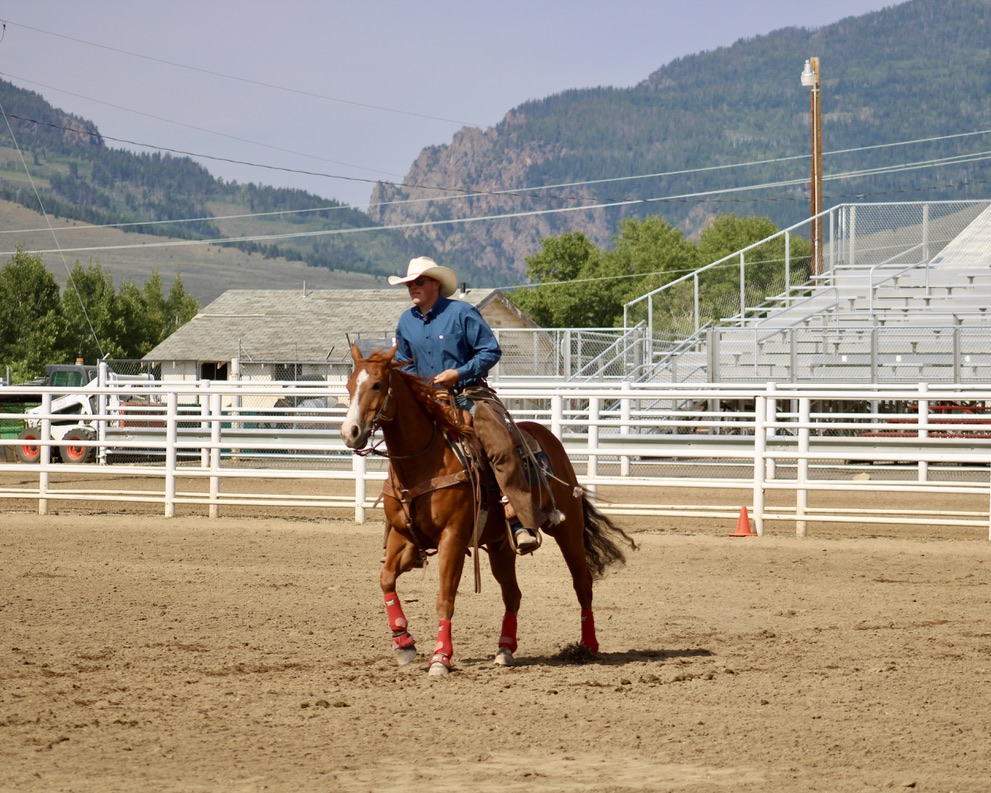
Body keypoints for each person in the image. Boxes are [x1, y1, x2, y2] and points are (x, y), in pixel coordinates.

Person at [388, 256, 547, 553]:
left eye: (418, 282)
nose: (413, 288)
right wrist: (419, 387)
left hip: (468, 394)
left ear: (435, 284)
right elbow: (402, 365)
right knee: (402, 446)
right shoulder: (406, 322)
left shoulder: (461, 313)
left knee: (499, 444)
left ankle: (517, 519)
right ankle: (404, 525)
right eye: (409, 283)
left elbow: (490, 350)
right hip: (426, 401)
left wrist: (457, 373)